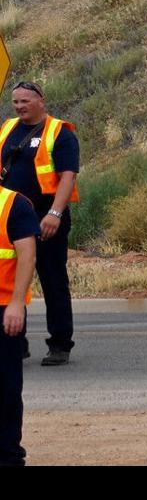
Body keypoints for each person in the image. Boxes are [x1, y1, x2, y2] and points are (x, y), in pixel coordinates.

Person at [0, 81, 79, 366]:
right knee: (8, 282)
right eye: (16, 102)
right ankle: (15, 343)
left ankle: (59, 344)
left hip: (46, 216)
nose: (20, 106)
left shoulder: (59, 132)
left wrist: (55, 214)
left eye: (25, 101)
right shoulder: (8, 129)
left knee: (53, 280)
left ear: (41, 101)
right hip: (11, 218)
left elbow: (68, 176)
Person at [1, 187, 41, 466]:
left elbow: (27, 256)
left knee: (6, 388)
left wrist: (17, 303)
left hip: (4, 308)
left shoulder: (14, 204)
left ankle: (9, 456)